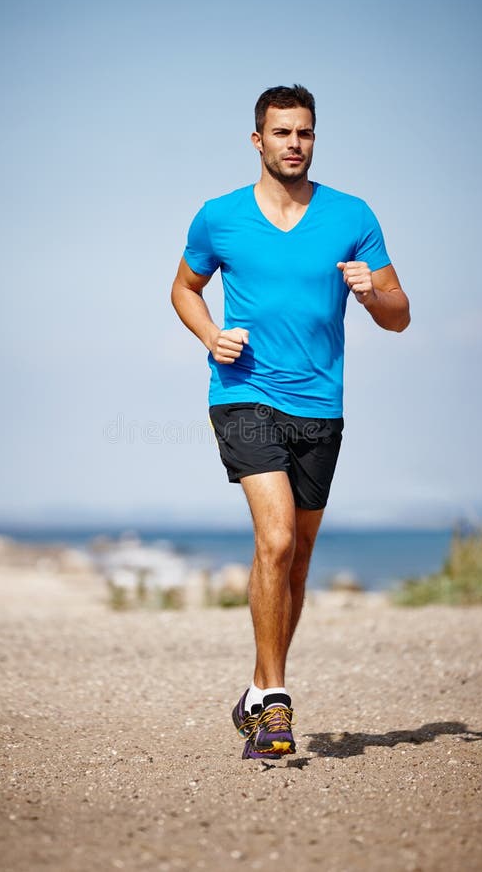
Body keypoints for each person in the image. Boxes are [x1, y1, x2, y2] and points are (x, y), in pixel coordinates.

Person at [171, 84, 410, 760]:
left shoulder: (351, 215)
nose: (294, 144)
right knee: (275, 541)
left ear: (314, 138)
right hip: (243, 393)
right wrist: (210, 336)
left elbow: (400, 314)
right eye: (282, 133)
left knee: (297, 561)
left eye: (304, 133)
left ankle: (253, 691)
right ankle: (277, 704)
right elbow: (182, 289)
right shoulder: (218, 217)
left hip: (320, 405)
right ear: (258, 140)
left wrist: (373, 293)